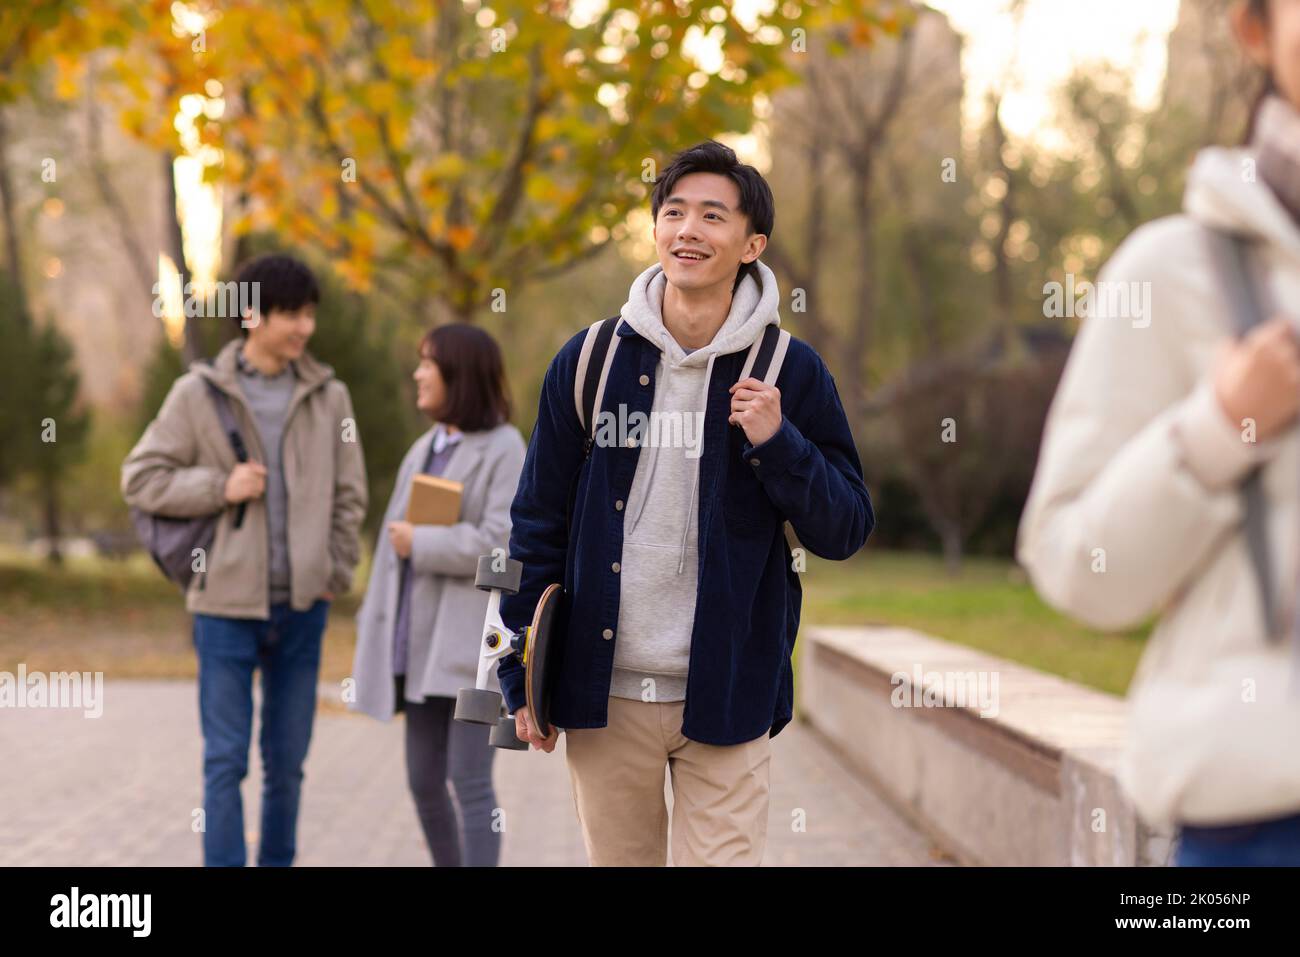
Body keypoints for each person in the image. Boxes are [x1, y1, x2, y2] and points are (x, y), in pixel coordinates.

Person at [497, 140, 874, 866]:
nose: (688, 230)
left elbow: (846, 527)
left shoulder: (790, 371)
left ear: (752, 245)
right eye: (673, 213)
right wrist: (521, 670)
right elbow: (536, 523)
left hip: (729, 691)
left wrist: (781, 443)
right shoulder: (590, 361)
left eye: (712, 215)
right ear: (655, 229)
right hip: (604, 695)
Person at [1017, 0, 1300, 866]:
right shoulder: (1175, 271)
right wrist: (1218, 430)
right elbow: (1076, 563)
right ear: (1254, 31)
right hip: (1266, 819)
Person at [121, 253, 368, 866]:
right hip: (224, 609)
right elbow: (141, 478)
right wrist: (219, 486)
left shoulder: (331, 396)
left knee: (288, 764)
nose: (305, 327)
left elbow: (349, 495)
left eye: (309, 313)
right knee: (224, 761)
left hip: (304, 609)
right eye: (292, 314)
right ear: (252, 314)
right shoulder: (197, 394)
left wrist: (334, 573)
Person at [351, 323, 524, 867]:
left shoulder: (504, 448)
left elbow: (502, 545)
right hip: (418, 648)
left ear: (460, 375)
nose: (418, 374)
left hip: (473, 654)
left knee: (469, 782)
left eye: (428, 363)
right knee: (423, 782)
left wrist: (421, 543)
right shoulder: (425, 447)